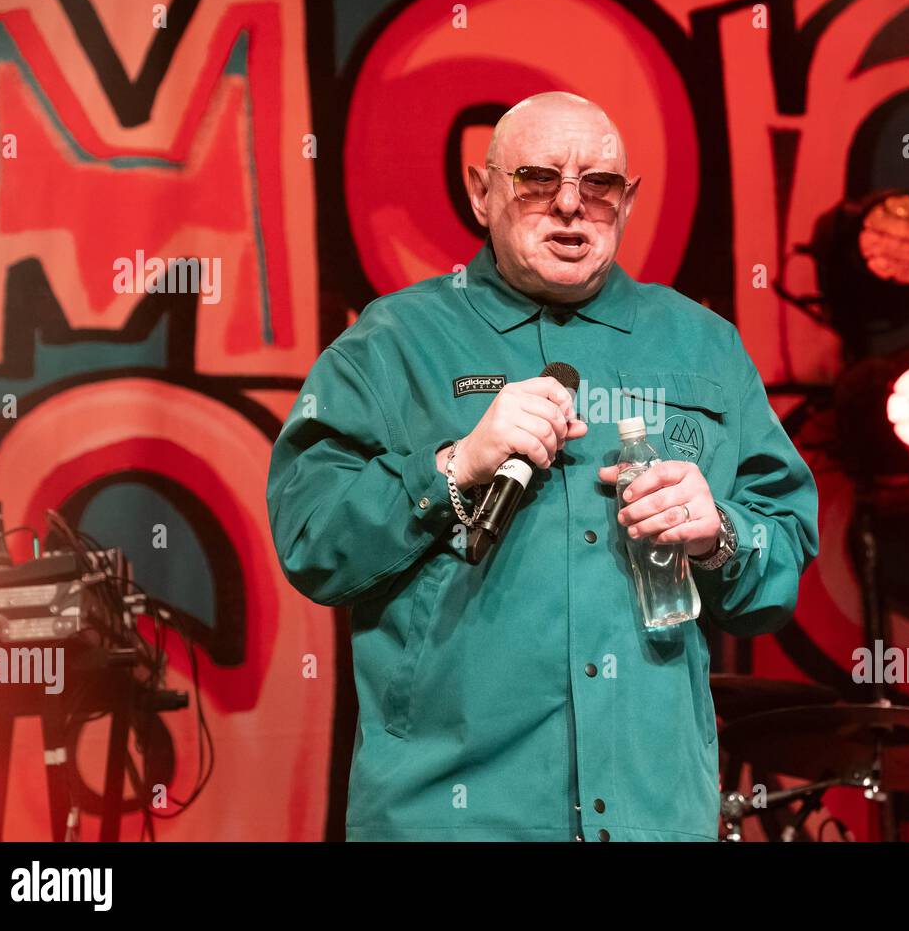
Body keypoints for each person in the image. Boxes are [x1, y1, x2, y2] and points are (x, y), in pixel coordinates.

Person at [266, 92, 820, 840]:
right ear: (480, 189)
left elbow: (780, 550)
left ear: (628, 200)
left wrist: (717, 534)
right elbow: (311, 540)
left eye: (598, 184)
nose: (570, 205)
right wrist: (455, 465)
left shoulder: (702, 346)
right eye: (536, 178)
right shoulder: (394, 342)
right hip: (451, 818)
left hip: (654, 816)